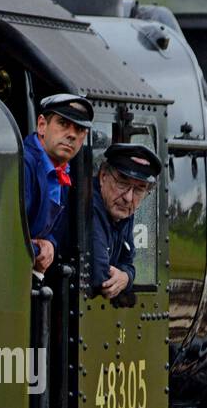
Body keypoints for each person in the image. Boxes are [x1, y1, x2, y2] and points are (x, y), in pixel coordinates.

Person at [23, 93, 94, 274]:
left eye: (79, 130)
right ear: (42, 125)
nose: (71, 134)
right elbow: (11, 233)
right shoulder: (23, 164)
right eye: (63, 124)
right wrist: (38, 248)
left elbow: (54, 232)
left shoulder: (63, 173)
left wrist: (51, 244)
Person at [91, 142, 162, 300]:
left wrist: (125, 277)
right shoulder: (90, 205)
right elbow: (100, 277)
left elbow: (128, 261)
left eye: (139, 189)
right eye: (122, 184)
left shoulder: (122, 211)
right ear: (103, 176)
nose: (128, 197)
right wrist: (123, 276)